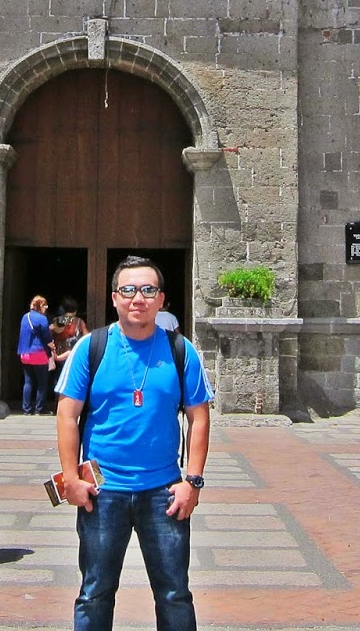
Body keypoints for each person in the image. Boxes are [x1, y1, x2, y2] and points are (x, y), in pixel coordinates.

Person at [55, 255, 213, 631]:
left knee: (174, 594)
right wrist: (70, 478)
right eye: (127, 290)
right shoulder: (91, 348)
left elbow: (199, 417)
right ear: (114, 298)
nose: (137, 298)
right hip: (102, 492)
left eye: (147, 290)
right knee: (94, 593)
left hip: (164, 492)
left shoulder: (181, 351)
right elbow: (66, 414)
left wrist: (192, 482)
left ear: (161, 299)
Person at [17, 294, 55, 415]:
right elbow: (46, 336)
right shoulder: (42, 319)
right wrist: (52, 345)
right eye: (45, 306)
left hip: (25, 354)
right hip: (38, 353)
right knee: (42, 383)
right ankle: (39, 409)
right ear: (41, 306)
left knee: (28, 381)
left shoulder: (25, 317)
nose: (46, 308)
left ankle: (26, 409)